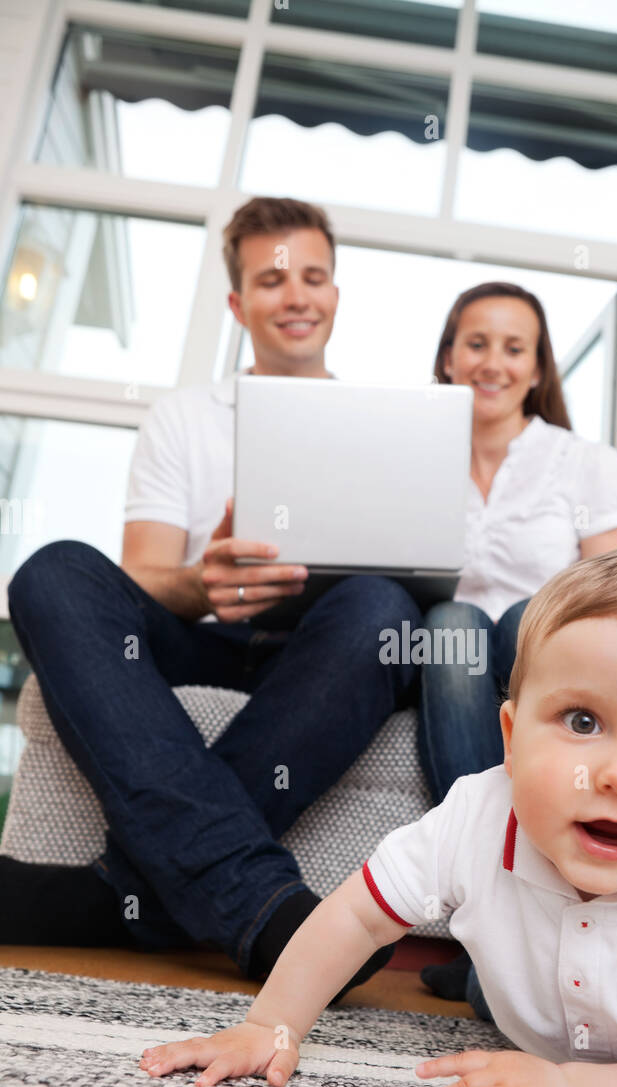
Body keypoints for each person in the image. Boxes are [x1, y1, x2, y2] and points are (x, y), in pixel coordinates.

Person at [139, 548, 617, 1087]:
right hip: (544, 985)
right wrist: (273, 1024)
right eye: (583, 719)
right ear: (509, 737)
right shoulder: (480, 813)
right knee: (500, 987)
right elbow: (357, 915)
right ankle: (489, 972)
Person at [1, 196, 420, 992]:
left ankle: (118, 900)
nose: (295, 295)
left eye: (314, 277)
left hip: (324, 656)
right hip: (205, 641)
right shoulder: (183, 418)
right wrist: (203, 581)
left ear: (336, 295)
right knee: (54, 570)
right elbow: (142, 577)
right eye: (270, 280)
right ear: (239, 304)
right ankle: (254, 899)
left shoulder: (387, 427)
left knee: (382, 609)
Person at [416, 282, 617, 1003]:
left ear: (537, 370)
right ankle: (493, 934)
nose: (492, 363)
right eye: (476, 344)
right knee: (453, 624)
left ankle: (500, 946)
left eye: (514, 349)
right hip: (444, 656)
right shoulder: (408, 451)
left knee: (517, 619)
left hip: (541, 652)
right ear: (448, 358)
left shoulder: (580, 461)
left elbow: (609, 587)